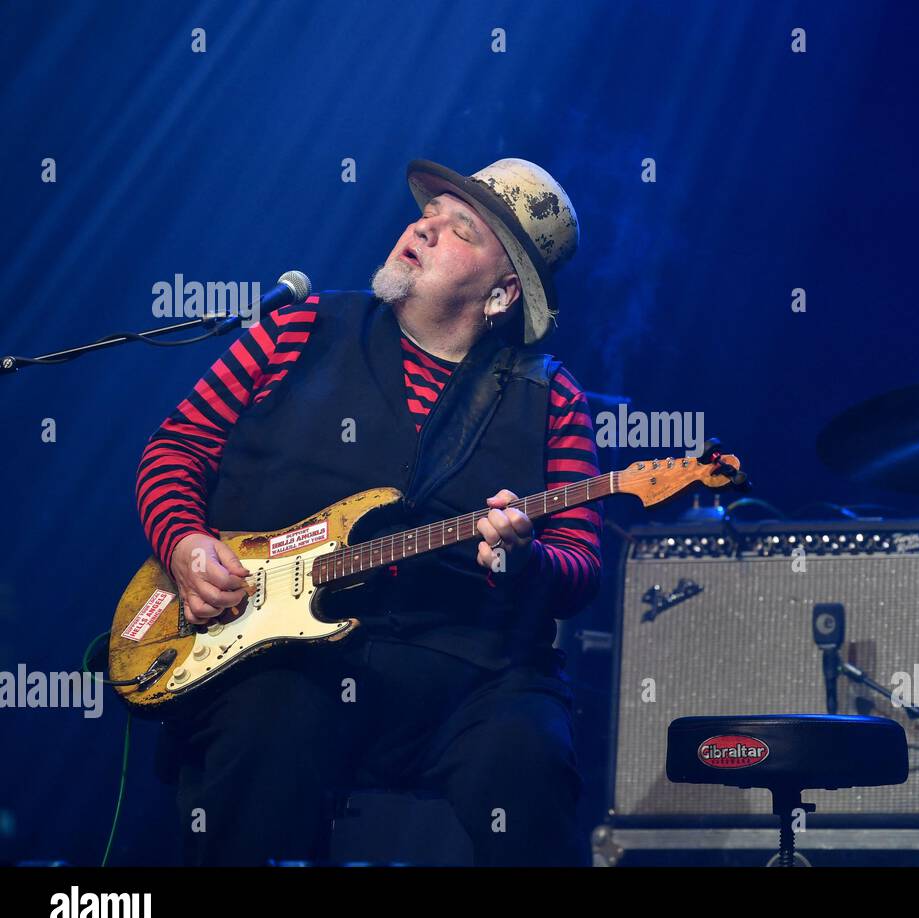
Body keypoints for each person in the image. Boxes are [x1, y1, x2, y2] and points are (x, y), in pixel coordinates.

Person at [134, 157, 601, 866]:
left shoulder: (550, 398)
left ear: (504, 293)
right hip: (288, 656)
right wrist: (185, 546)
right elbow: (178, 449)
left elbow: (581, 561)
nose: (423, 227)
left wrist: (528, 559)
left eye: (459, 230)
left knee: (531, 761)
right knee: (265, 731)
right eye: (428, 215)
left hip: (472, 676)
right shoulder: (296, 329)